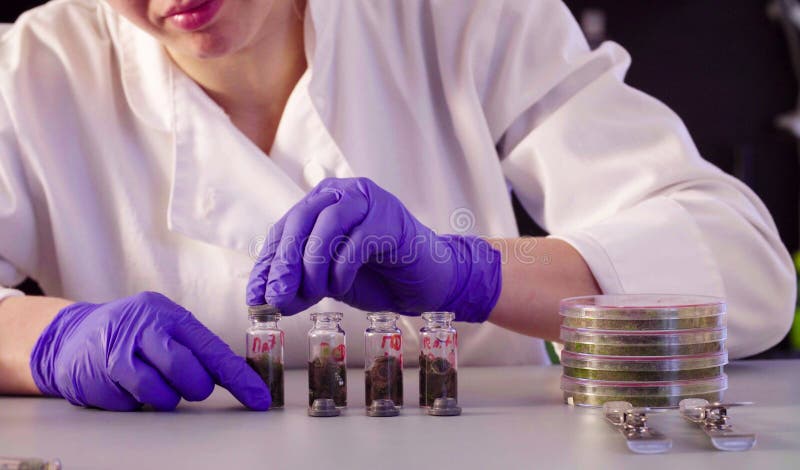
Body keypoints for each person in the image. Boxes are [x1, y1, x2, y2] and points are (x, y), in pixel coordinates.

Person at [0, 0, 794, 411]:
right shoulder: (33, 70)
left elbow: (744, 268)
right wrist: (45, 342)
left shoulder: (460, 15)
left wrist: (476, 273)